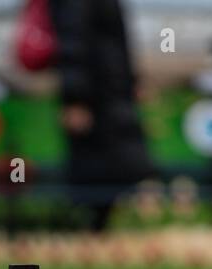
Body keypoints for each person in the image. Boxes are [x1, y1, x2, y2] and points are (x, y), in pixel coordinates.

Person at [51, 0, 153, 231]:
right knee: (97, 170)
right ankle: (90, 228)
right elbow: (73, 43)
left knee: (112, 168)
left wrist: (131, 80)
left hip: (108, 93)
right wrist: (75, 97)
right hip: (96, 97)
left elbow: (114, 39)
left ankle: (99, 226)